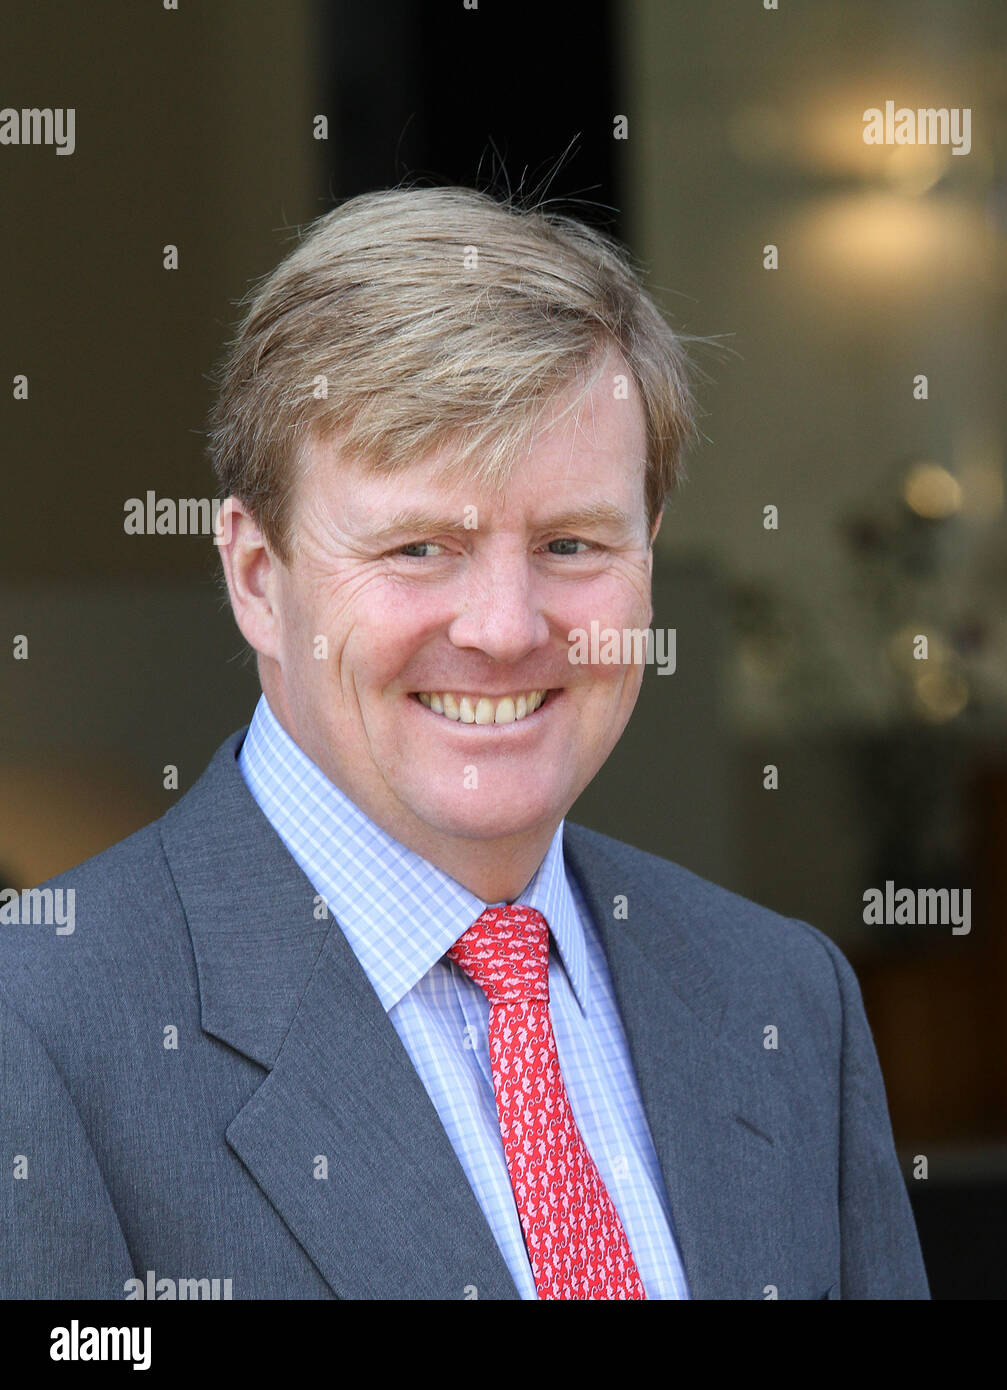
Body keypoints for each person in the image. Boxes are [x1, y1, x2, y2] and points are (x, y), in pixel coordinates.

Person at [0, 186, 928, 1300]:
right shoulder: (43, 1031)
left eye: (572, 542)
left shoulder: (782, 999)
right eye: (420, 548)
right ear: (257, 577)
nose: (503, 628)